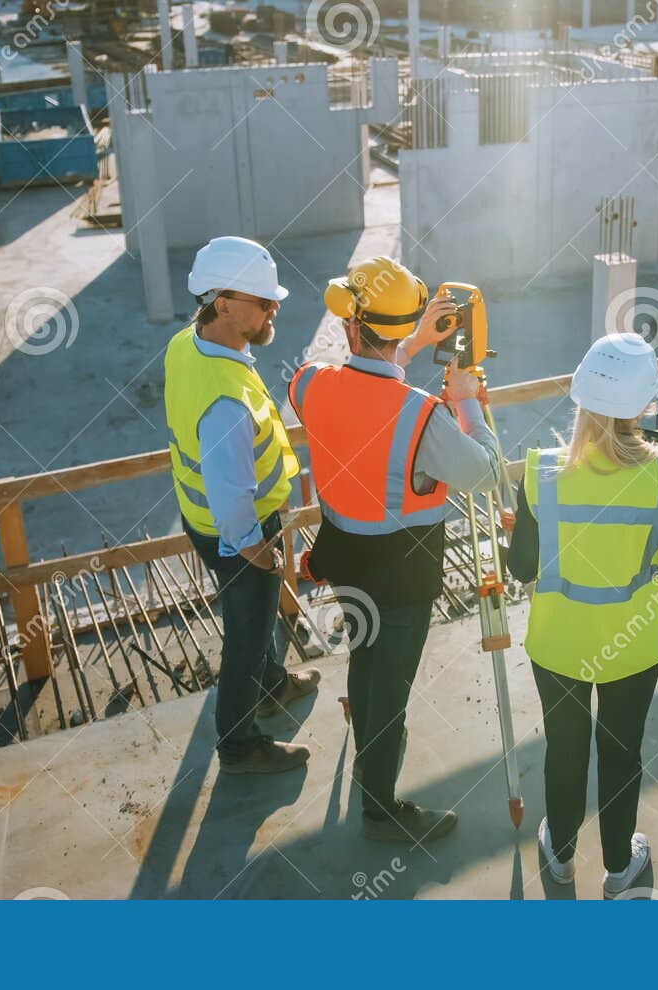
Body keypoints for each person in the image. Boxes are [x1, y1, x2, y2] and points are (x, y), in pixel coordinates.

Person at [287, 257, 502, 843]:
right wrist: (467, 401)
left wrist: (404, 348)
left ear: (352, 326)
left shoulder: (309, 384)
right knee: (392, 695)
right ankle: (379, 808)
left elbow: (360, 384)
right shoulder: (422, 416)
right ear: (403, 325)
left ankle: (366, 732)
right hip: (404, 575)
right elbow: (484, 472)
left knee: (364, 653)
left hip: (344, 559)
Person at [506, 333, 658, 897]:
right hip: (632, 647)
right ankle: (618, 866)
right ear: (645, 405)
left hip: (559, 644)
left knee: (565, 749)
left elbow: (520, 568)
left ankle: (560, 855)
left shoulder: (540, 475)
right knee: (621, 751)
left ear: (580, 397)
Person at [165, 236, 318, 775]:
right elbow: (231, 490)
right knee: (247, 632)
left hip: (204, 519)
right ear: (223, 304)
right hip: (236, 530)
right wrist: (254, 547)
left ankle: (272, 684)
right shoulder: (225, 401)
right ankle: (238, 746)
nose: (273, 308)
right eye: (262, 300)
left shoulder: (188, 344)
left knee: (257, 614)